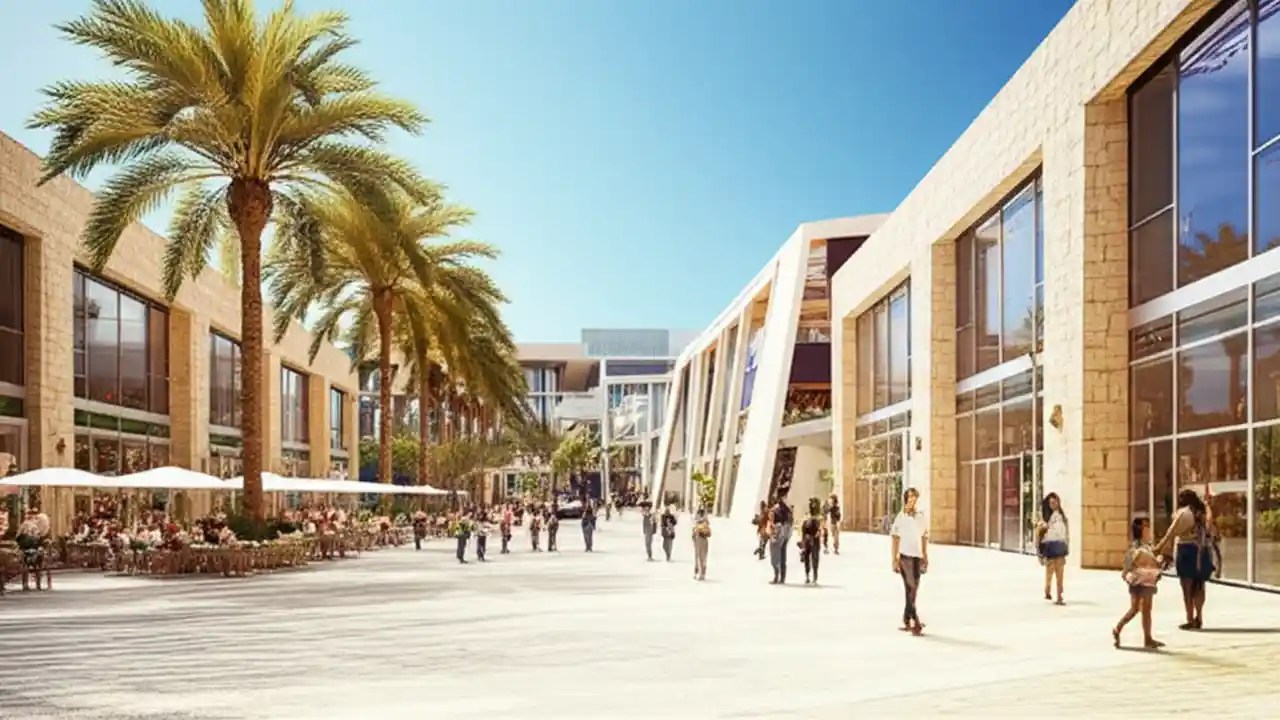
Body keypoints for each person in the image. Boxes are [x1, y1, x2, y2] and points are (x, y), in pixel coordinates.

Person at [1154, 488, 1216, 630]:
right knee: (1199, 585)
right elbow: (1210, 527)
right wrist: (1207, 505)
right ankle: (1199, 617)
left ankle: (1189, 618)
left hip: (1186, 551)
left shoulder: (1184, 514)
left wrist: (1159, 547)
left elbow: (1171, 532)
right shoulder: (1203, 513)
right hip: (1203, 551)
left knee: (1187, 587)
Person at [1114, 517, 1164, 650]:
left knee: (1137, 609)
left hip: (1144, 581)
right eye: (1145, 527)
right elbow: (1128, 565)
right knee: (1143, 610)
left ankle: (1119, 628)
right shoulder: (1137, 547)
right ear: (1140, 530)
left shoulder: (1146, 546)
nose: (1148, 529)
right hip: (1142, 581)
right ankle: (1147, 639)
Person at [890, 487, 928, 635]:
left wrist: (925, 554)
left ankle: (907, 618)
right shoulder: (900, 517)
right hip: (904, 556)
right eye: (910, 496)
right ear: (905, 499)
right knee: (911, 586)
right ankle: (915, 621)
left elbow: (925, 536)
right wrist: (894, 558)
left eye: (914, 497)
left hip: (917, 556)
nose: (912, 499)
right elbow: (895, 538)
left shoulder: (920, 517)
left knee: (913, 589)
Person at [1037, 492, 1069, 605]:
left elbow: (1065, 534)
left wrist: (1066, 547)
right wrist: (1040, 553)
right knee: (1049, 573)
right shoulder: (1046, 518)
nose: (1053, 504)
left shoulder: (1062, 516)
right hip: (1050, 548)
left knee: (1060, 575)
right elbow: (1040, 536)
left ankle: (1060, 597)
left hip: (1060, 547)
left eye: (1055, 502)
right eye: (1051, 503)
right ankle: (1047, 591)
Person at [768, 495, 793, 585]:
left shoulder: (775, 510)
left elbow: (771, 524)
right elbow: (790, 524)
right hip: (785, 535)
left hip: (777, 535)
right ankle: (782, 578)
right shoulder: (788, 511)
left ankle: (776, 576)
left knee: (775, 556)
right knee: (783, 556)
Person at [799, 498, 823, 585]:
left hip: (814, 540)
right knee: (808, 559)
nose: (813, 505)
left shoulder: (818, 518)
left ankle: (814, 577)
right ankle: (808, 576)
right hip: (808, 540)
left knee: (814, 559)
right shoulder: (808, 517)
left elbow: (821, 529)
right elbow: (803, 530)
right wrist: (803, 542)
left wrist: (819, 532)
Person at [691, 507, 711, 581]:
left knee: (702, 558)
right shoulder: (696, 523)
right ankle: (697, 573)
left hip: (702, 541)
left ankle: (702, 574)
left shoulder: (704, 523)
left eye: (698, 514)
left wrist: (701, 532)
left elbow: (709, 533)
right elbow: (693, 533)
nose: (697, 516)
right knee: (697, 558)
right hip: (697, 541)